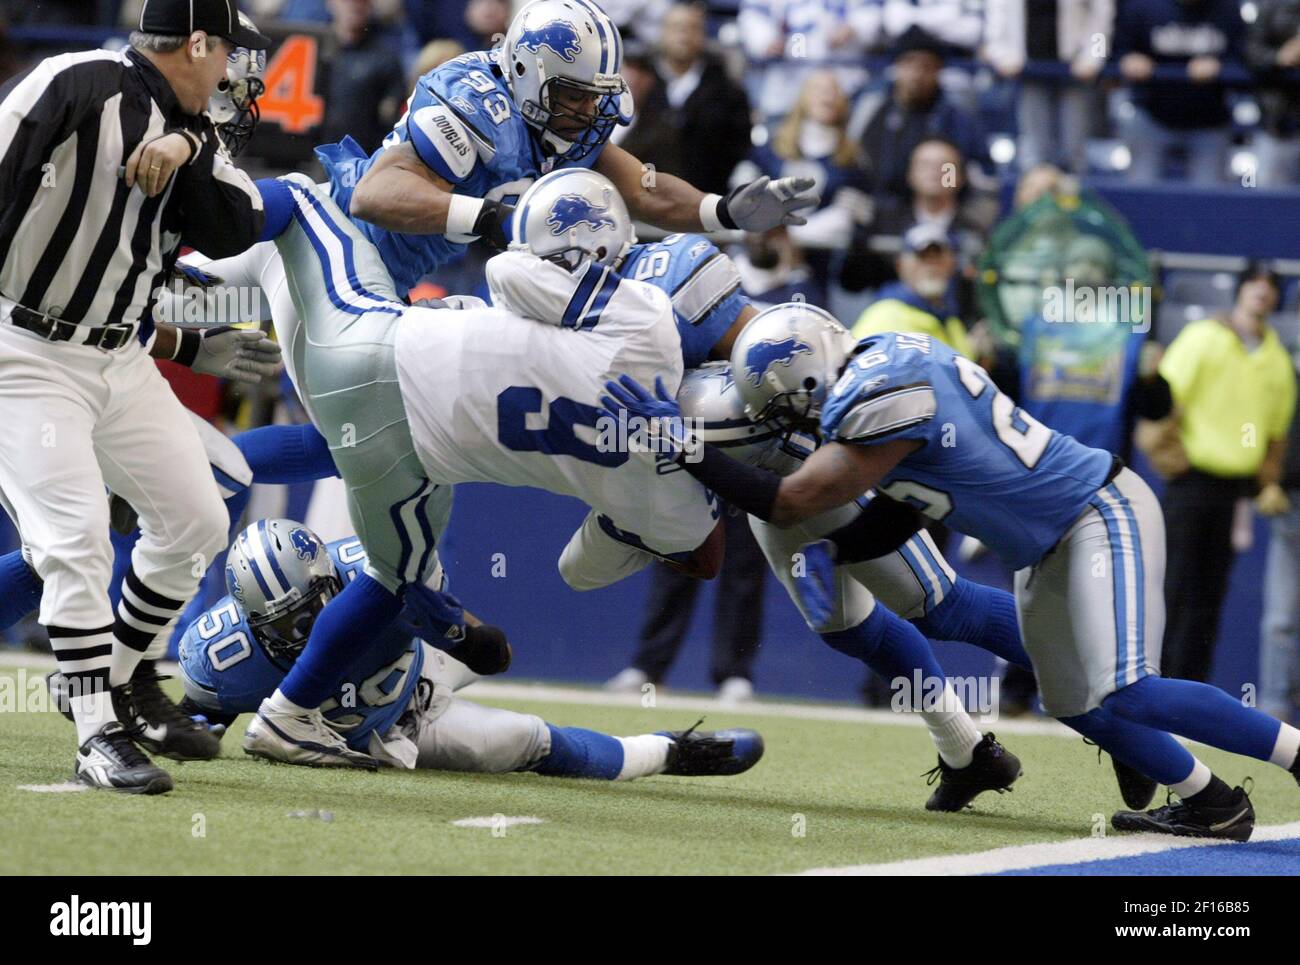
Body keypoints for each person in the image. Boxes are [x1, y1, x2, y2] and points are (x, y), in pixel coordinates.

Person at [601, 305, 1300, 841]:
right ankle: (1212, 801)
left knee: (1128, 689)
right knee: (1074, 701)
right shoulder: (893, 354)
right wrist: (835, 555)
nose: (793, 426)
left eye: (785, 411)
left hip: (1096, 513)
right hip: (1045, 544)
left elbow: (790, 499)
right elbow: (903, 507)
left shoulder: (870, 401)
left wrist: (684, 442)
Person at [243, 170, 728, 766]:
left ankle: (165, 284)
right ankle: (287, 715)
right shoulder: (670, 488)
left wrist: (546, 267)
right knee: (394, 580)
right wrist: (641, 517)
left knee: (297, 197)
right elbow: (604, 568)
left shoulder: (644, 319)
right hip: (408, 460)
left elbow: (508, 271)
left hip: (372, 345)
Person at [0, 0, 280, 793]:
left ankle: (114, 677)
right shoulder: (73, 83)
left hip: (119, 358)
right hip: (24, 350)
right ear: (196, 43)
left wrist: (189, 142)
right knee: (75, 536)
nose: (232, 76)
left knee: (197, 520)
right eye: (225, 54)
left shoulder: (194, 134)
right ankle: (96, 733)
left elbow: (235, 226)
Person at [182, 518, 763, 777]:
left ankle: (669, 750)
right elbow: (194, 724)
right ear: (252, 622)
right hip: (395, 731)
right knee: (529, 738)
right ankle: (665, 752)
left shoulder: (376, 573)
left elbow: (491, 653)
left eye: (316, 610)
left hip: (414, 670)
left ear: (336, 580)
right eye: (286, 625)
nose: (307, 632)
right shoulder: (224, 655)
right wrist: (190, 731)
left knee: (493, 658)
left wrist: (456, 630)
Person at [1158, 264, 1297, 683]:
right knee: (1173, 588)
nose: (1263, 292)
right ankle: (1154, 685)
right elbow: (1165, 401)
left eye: (1271, 286)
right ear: (1241, 289)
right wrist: (1171, 456)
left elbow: (1276, 435)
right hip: (1190, 483)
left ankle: (1190, 691)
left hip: (1234, 492)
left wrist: (1266, 482)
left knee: (1209, 597)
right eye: (1256, 283)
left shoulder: (1276, 360)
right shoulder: (1202, 338)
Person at [738, 70, 871, 292]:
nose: (827, 96)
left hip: (815, 269)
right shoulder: (770, 149)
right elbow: (741, 196)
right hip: (758, 264)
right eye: (819, 90)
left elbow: (845, 219)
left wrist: (783, 236)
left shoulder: (852, 160)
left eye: (834, 91)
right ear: (803, 96)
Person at [1112, 0, 1245, 185]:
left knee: (1209, 196)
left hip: (1210, 120)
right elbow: (1109, 48)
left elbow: (1246, 55)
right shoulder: (1141, 6)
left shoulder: (1228, 8)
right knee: (1140, 190)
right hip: (1152, 114)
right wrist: (1126, 57)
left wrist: (1221, 64)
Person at [983, 0, 1113, 173]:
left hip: (1074, 71)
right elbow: (996, 21)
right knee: (1034, 151)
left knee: (1074, 150)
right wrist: (1002, 55)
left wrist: (1093, 58)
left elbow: (1101, 15)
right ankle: (1035, 188)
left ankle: (1076, 187)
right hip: (1029, 71)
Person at [851, 223, 971, 356]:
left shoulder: (951, 321)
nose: (931, 266)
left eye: (938, 257)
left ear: (952, 264)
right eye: (922, 257)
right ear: (900, 265)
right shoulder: (884, 317)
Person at [1260, 406, 1300, 720]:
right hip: (1291, 507)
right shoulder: (1289, 379)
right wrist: (1272, 480)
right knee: (1279, 621)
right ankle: (1274, 718)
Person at [1245, 0, 1300, 187]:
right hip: (1276, 122)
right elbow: (1250, 51)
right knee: (1267, 195)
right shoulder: (1271, 6)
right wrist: (1278, 57)